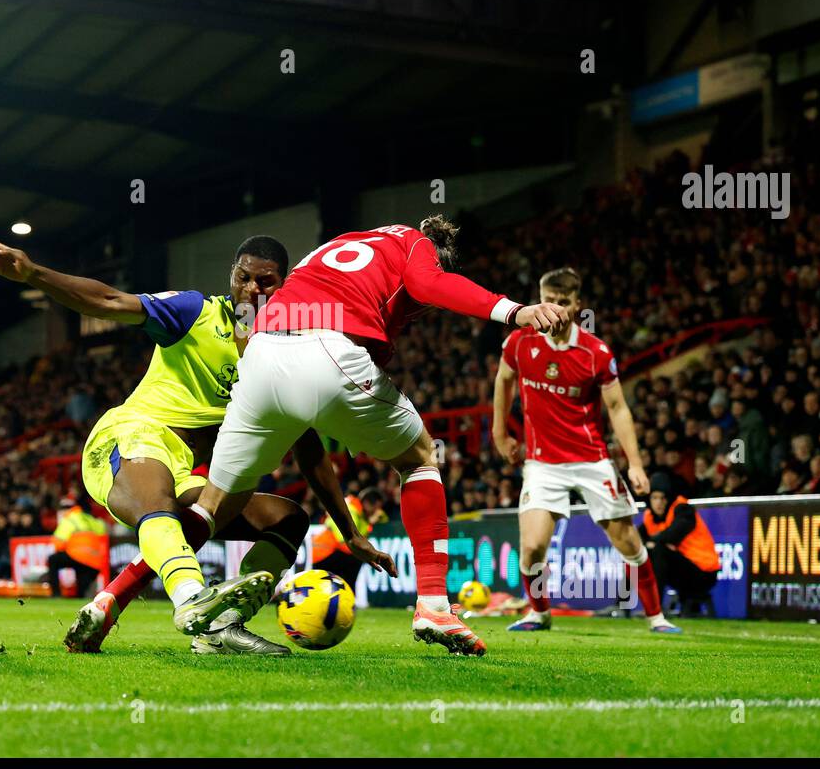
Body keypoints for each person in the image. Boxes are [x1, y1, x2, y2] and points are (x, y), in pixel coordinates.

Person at [0, 236, 393, 656]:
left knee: (286, 519)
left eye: (265, 281)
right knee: (158, 498)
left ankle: (221, 628)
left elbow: (309, 448)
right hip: (131, 439)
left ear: (284, 286)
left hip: (184, 472)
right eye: (243, 277)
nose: (252, 290)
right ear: (231, 277)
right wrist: (34, 273)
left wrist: (351, 533)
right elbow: (108, 301)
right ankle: (191, 599)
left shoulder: (287, 355)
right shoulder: (194, 313)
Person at [192, 216, 568, 656]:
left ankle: (133, 599)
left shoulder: (345, 243)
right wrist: (514, 311)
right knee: (420, 458)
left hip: (260, 354)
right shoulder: (414, 244)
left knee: (214, 504)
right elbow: (431, 286)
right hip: (324, 352)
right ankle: (432, 603)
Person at [493, 267, 681, 634]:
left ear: (578, 305)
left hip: (592, 459)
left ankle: (656, 617)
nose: (556, 309)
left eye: (564, 302)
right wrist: (500, 433)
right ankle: (539, 613)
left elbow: (618, 409)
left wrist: (636, 465)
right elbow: (503, 380)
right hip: (543, 462)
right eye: (549, 300)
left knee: (627, 540)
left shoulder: (596, 352)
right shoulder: (518, 341)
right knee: (531, 547)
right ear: (539, 297)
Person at [639, 473, 719, 615]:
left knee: (658, 550)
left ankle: (655, 609)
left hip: (703, 573)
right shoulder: (650, 516)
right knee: (635, 554)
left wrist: (652, 542)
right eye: (654, 498)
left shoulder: (683, 510)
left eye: (663, 498)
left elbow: (672, 535)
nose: (659, 503)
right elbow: (637, 539)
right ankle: (621, 605)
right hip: (682, 571)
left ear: (669, 498)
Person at [46, 494, 108, 598]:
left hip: (77, 556)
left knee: (53, 560)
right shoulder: (89, 518)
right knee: (81, 593)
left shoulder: (69, 519)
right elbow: (103, 530)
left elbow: (59, 542)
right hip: (94, 560)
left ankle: (56, 594)